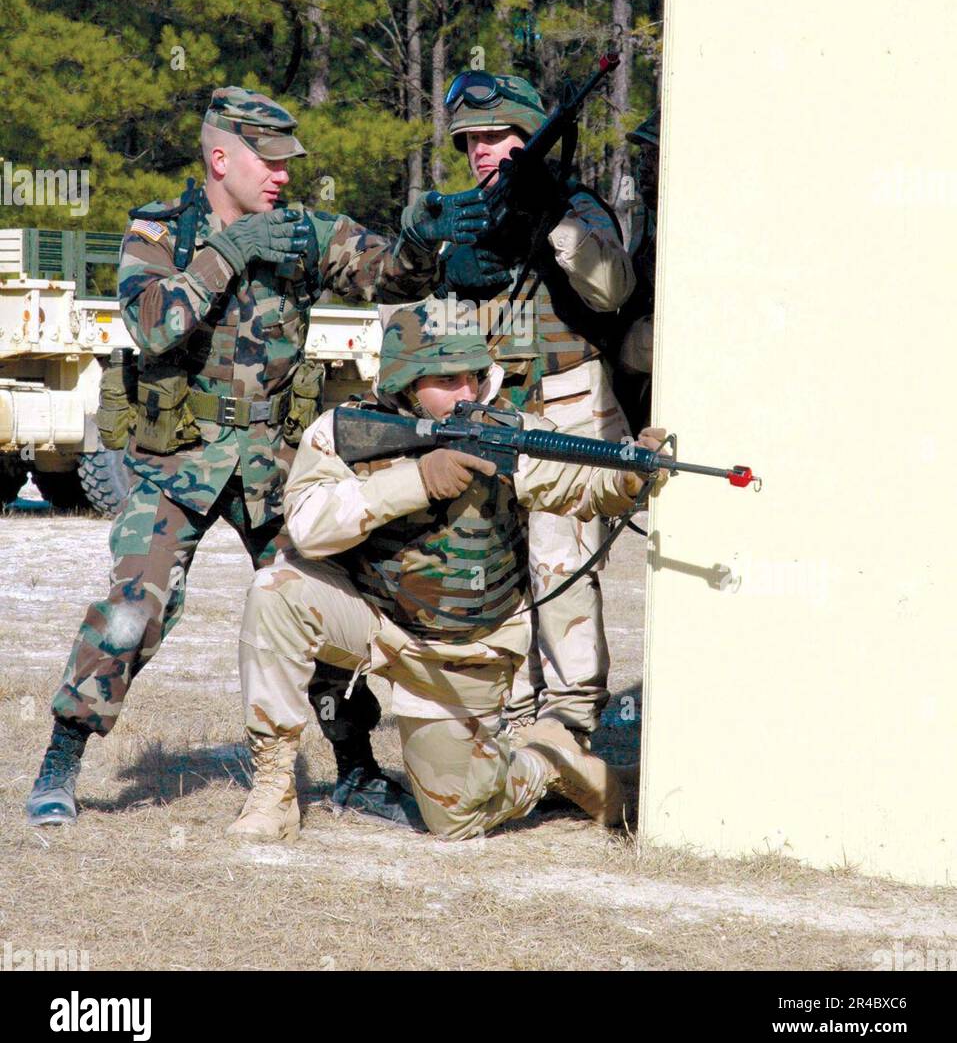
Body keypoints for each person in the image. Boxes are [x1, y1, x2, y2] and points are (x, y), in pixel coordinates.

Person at [25, 86, 488, 829]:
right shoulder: (160, 232)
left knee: (321, 606)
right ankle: (62, 757)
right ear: (220, 158)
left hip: (274, 466)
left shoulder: (306, 232)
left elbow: (390, 280)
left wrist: (414, 236)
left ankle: (356, 767)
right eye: (266, 162)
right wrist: (225, 255)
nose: (281, 176)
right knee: (131, 610)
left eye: (286, 163)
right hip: (178, 462)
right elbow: (153, 327)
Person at [227, 299, 667, 843]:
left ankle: (548, 763)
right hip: (376, 625)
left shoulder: (510, 431)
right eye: (447, 378)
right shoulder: (344, 431)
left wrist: (627, 476)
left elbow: (576, 483)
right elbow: (310, 527)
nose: (467, 392)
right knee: (274, 590)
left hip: (463, 652)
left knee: (456, 820)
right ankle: (273, 791)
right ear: (406, 381)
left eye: (475, 376)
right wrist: (417, 480)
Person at [440, 71, 636, 752]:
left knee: (561, 572)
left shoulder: (572, 203)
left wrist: (553, 220)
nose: (481, 152)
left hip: (571, 413)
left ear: (527, 138)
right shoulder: (471, 216)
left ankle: (573, 725)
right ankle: (514, 722)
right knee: (497, 575)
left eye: (495, 137)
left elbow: (612, 288)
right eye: (470, 141)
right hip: (494, 414)